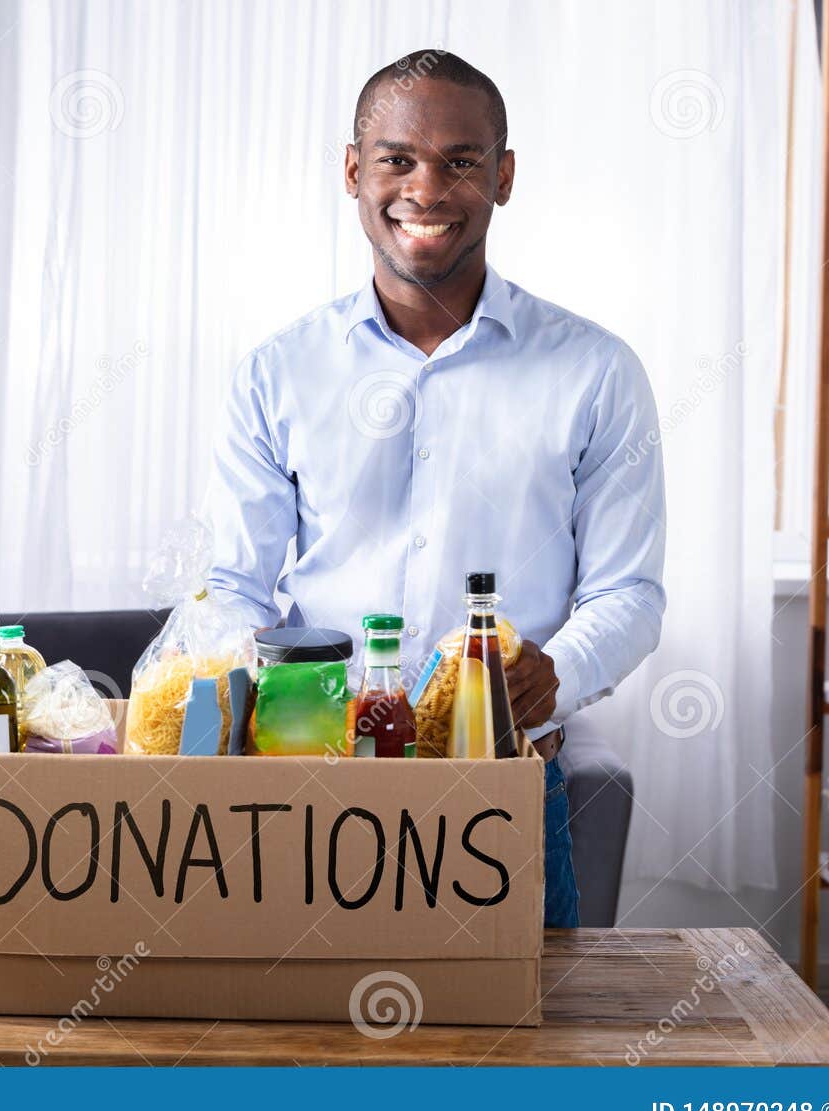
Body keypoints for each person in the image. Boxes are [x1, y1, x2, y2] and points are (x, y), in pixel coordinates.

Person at [202, 50, 666, 928]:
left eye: (461, 161)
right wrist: (261, 683)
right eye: (397, 159)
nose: (428, 187)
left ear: (504, 177)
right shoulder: (277, 373)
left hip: (505, 790)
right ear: (352, 171)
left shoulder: (596, 373)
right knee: (301, 1056)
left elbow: (629, 592)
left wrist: (554, 675)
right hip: (313, 789)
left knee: (521, 1058)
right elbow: (233, 585)